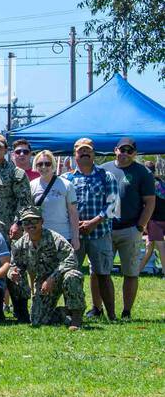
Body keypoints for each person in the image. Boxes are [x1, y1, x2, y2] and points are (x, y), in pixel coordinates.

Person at [100, 136, 155, 319]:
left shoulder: (143, 172)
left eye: (129, 151)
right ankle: (98, 308)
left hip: (130, 228)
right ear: (115, 150)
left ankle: (126, 311)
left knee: (130, 272)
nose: (125, 154)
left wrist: (140, 226)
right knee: (100, 271)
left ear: (135, 153)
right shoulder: (103, 169)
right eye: (122, 150)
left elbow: (150, 203)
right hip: (105, 228)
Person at [67, 137, 117, 321]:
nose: (84, 153)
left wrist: (93, 222)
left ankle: (111, 315)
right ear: (75, 154)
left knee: (103, 274)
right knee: (72, 275)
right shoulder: (67, 178)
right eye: (81, 150)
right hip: (75, 236)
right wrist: (77, 225)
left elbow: (113, 206)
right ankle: (74, 314)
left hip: (100, 234)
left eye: (88, 150)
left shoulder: (106, 176)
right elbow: (65, 207)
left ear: (94, 153)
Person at [8, 208, 83, 330]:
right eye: (26, 222)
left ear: (42, 221)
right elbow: (14, 264)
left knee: (72, 276)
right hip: (42, 282)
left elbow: (72, 259)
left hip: (61, 276)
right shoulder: (19, 245)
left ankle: (76, 318)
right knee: (38, 320)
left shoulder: (55, 239)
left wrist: (53, 278)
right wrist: (13, 273)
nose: (30, 225)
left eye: (34, 221)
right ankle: (65, 313)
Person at [30, 149, 80, 245]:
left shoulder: (67, 185)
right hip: (40, 236)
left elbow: (73, 213)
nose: (43, 167)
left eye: (47, 164)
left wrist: (75, 237)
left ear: (53, 165)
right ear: (36, 166)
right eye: (40, 164)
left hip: (63, 236)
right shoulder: (32, 185)